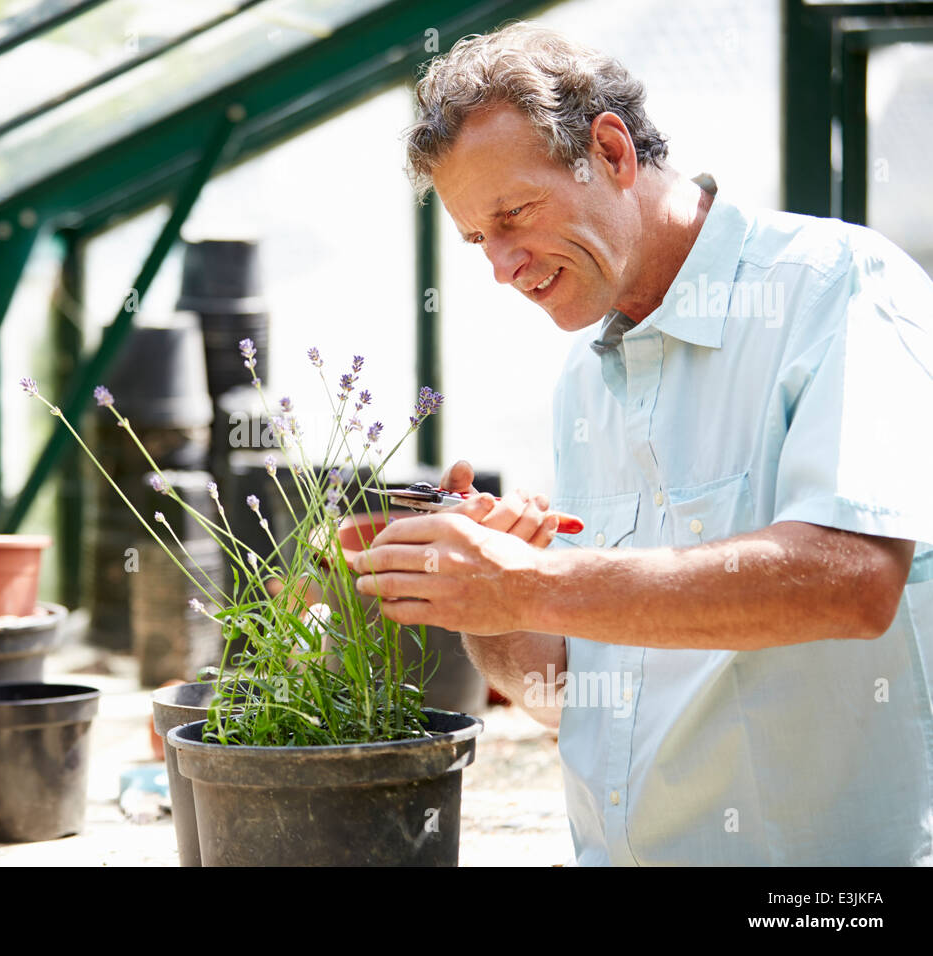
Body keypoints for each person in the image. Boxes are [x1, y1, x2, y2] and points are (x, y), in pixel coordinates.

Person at [350, 21, 933, 865]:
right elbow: (565, 692)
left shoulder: (837, 287)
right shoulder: (584, 381)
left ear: (612, 153)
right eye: (479, 239)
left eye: (514, 215)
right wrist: (491, 609)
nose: (502, 266)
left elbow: (850, 581)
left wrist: (538, 581)